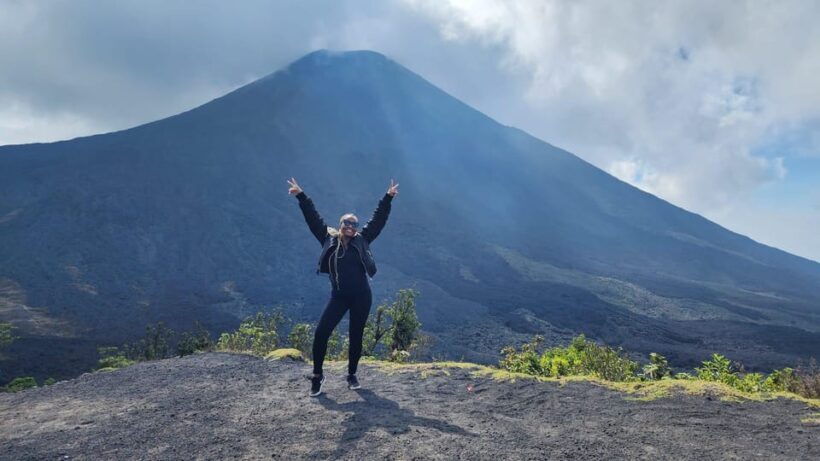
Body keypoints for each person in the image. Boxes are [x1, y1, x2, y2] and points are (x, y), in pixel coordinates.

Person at [287, 177, 399, 397]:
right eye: (346, 222)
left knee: (356, 335)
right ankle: (318, 376)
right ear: (340, 225)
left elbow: (378, 220)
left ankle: (351, 375)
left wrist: (387, 198)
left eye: (354, 224)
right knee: (321, 333)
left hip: (361, 296)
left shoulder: (363, 239)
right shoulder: (328, 239)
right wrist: (301, 195)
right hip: (339, 296)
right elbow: (313, 218)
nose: (350, 226)